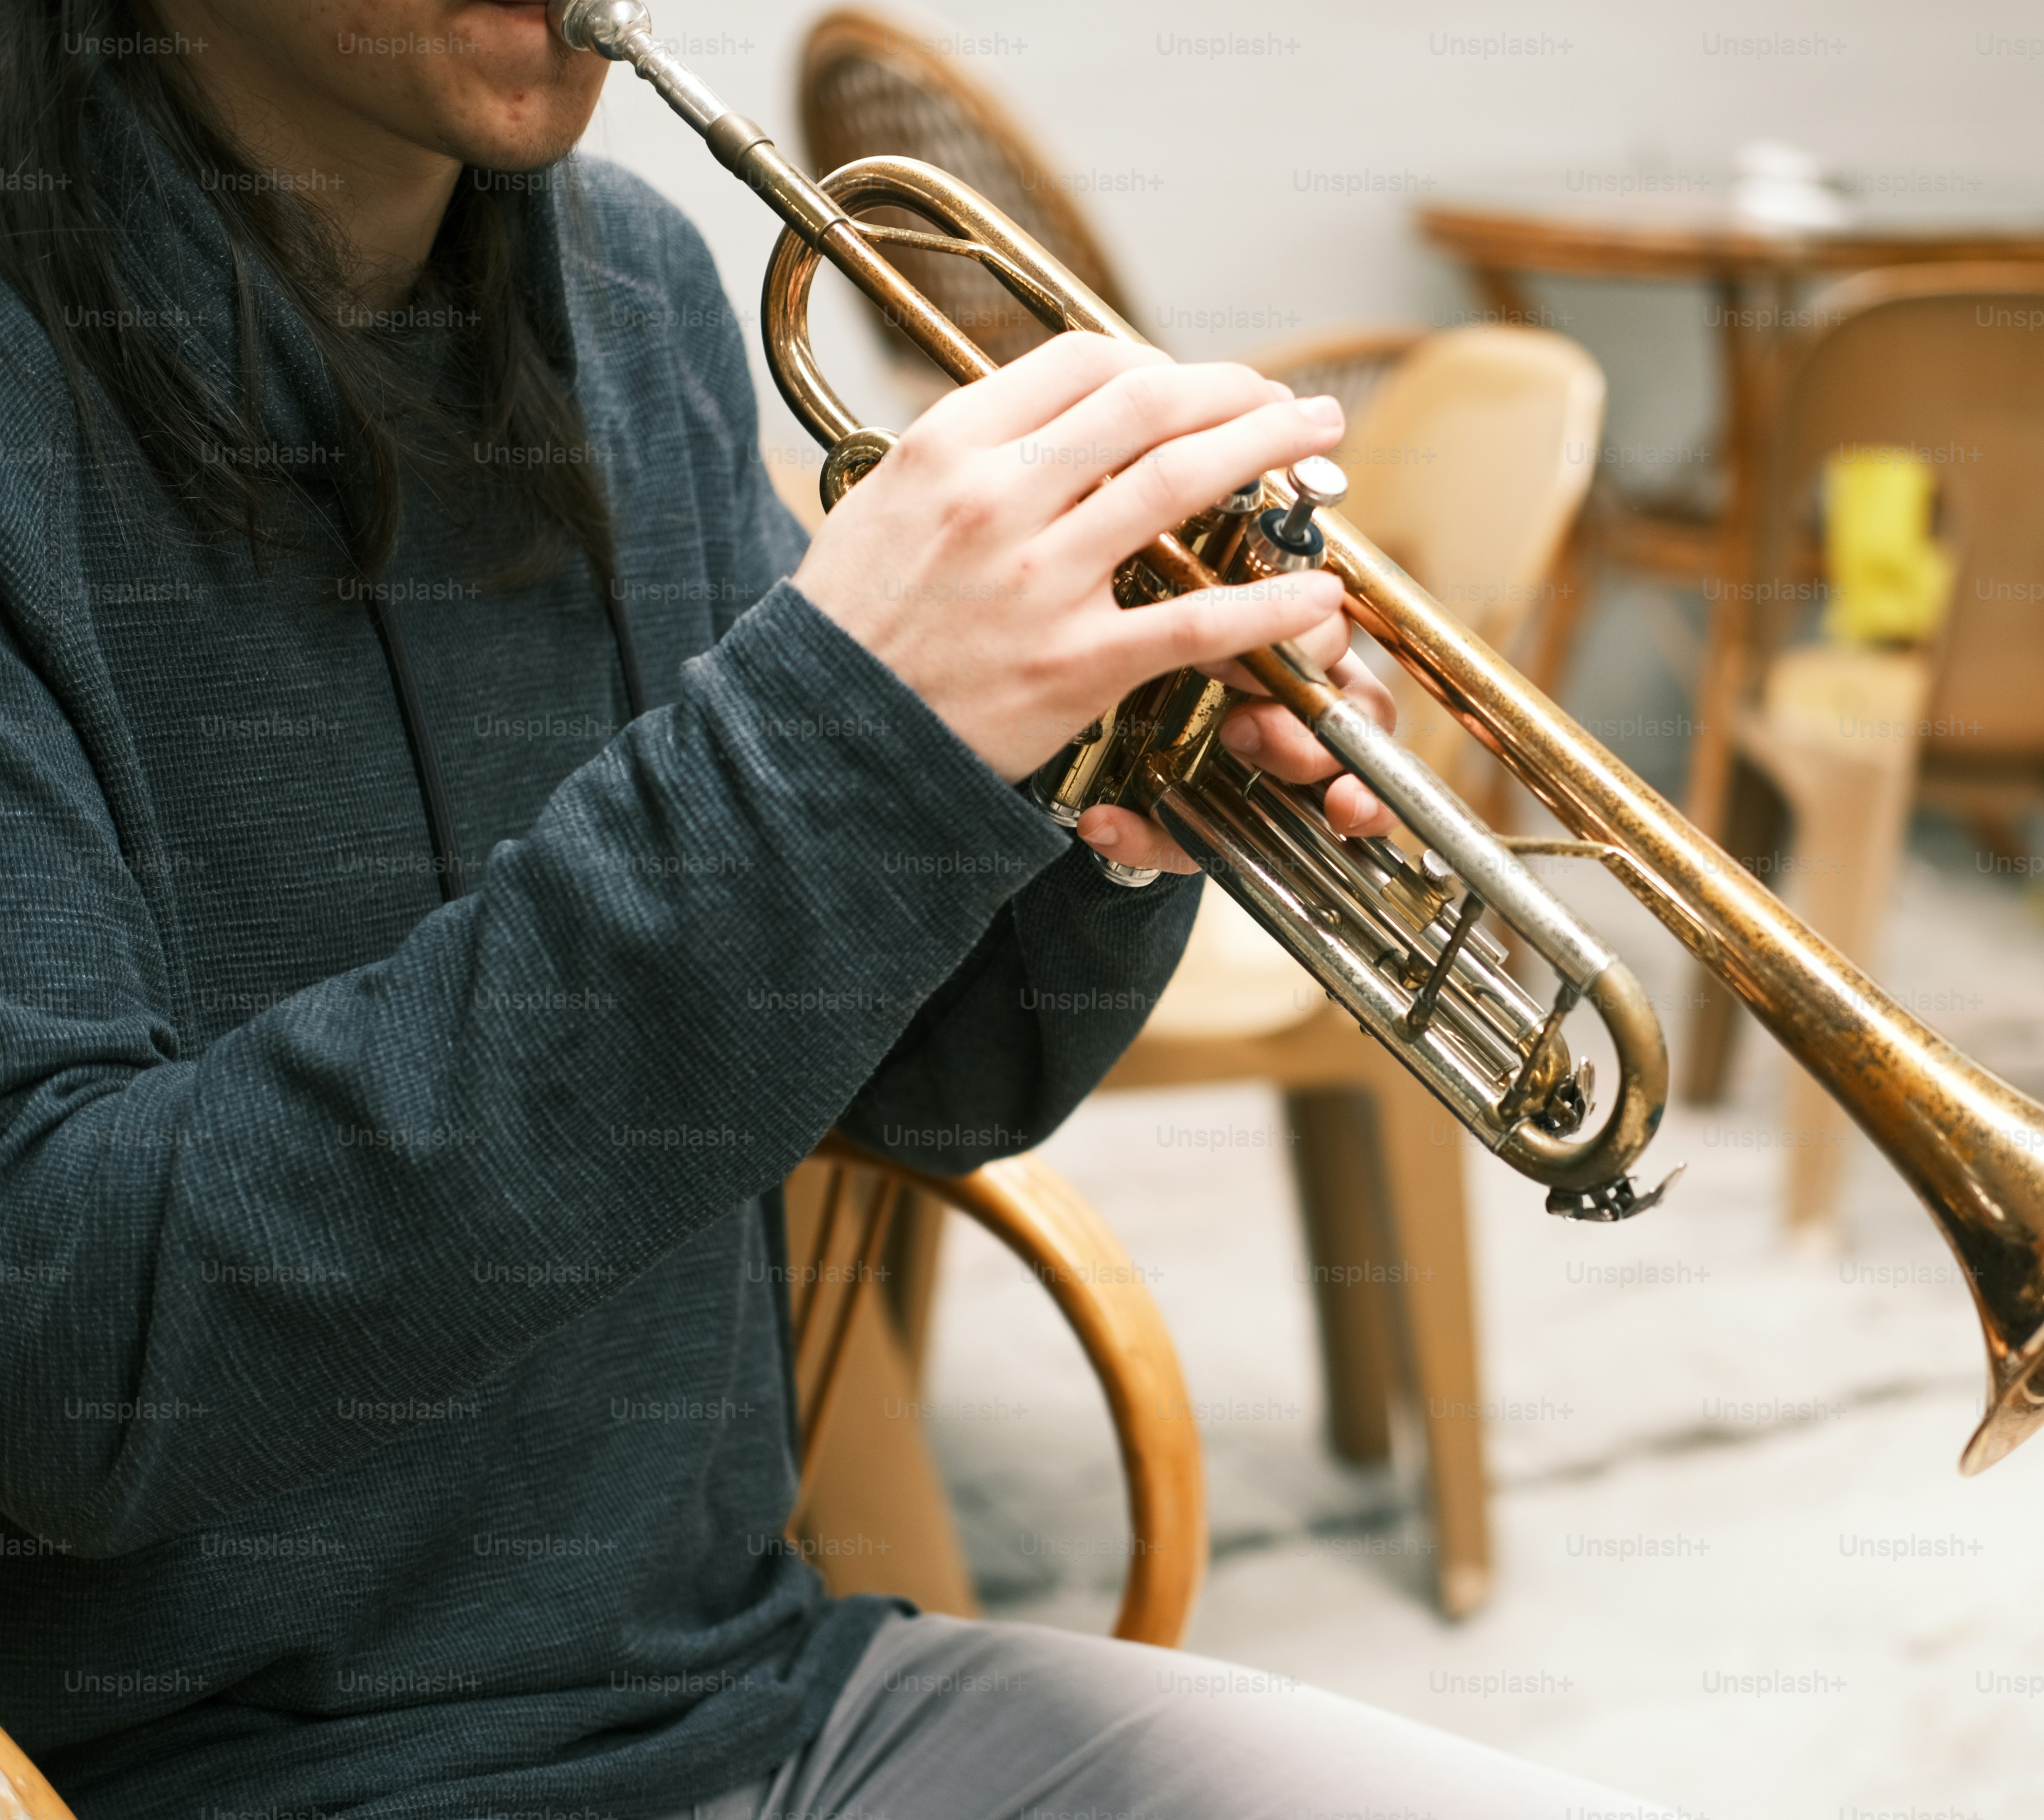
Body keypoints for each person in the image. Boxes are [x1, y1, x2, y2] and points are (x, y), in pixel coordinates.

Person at [0, 3, 1659, 1817]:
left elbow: (934, 1090)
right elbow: (80, 1353)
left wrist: (1106, 797)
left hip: (769, 1698)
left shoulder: (633, 298)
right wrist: (829, 743)